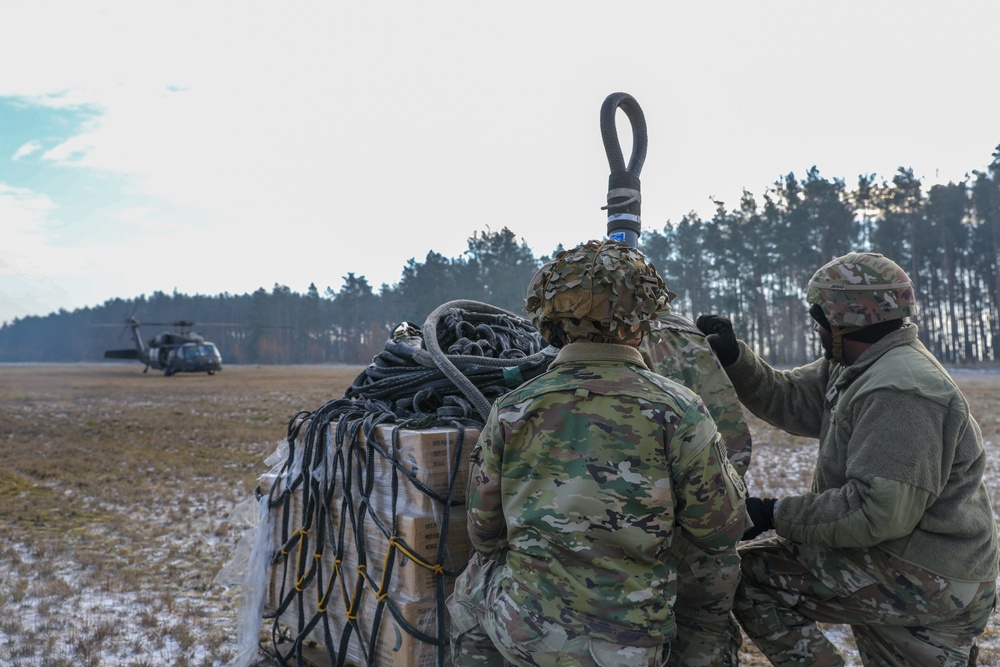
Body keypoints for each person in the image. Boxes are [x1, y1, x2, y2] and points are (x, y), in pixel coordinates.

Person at [447, 239, 749, 666]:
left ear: (551, 321)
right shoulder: (680, 409)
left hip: (529, 637)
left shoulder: (512, 408)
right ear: (641, 320)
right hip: (629, 647)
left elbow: (484, 534)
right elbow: (720, 530)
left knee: (472, 582)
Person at [697, 251, 1000, 666]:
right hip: (910, 562)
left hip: (925, 574)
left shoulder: (900, 392)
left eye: (819, 317)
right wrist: (734, 357)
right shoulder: (860, 364)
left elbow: (877, 512)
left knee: (750, 577)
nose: (816, 327)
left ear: (847, 320)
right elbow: (788, 398)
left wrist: (770, 513)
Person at [642, 314, 752, 666]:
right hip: (701, 539)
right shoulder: (685, 335)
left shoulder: (570, 340)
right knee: (704, 644)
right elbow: (734, 445)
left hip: (627, 553)